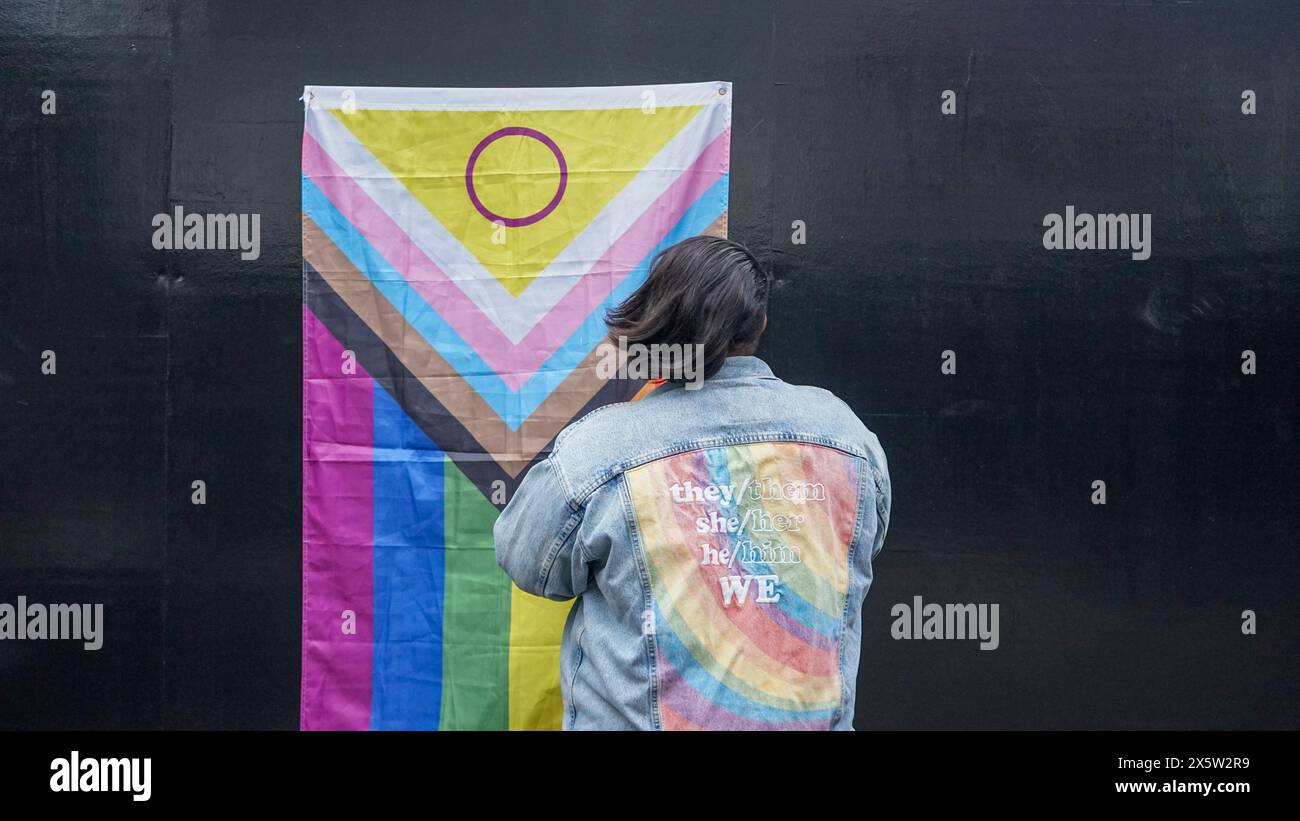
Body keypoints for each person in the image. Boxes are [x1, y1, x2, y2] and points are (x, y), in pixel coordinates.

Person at [494, 235, 891, 730]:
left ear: (656, 322)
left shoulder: (601, 449)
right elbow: (862, 550)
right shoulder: (846, 435)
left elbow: (529, 564)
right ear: (761, 324)